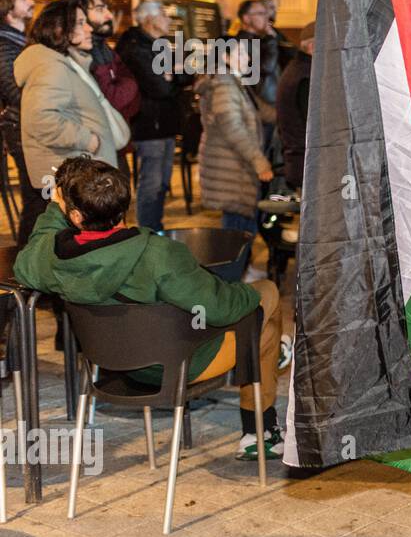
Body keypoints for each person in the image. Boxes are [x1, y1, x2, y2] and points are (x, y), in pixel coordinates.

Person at [14, 156, 285, 460]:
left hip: (110, 362)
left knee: (259, 325)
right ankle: (259, 434)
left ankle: (266, 399)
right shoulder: (158, 254)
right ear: (123, 204)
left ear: (75, 216)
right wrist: (246, 296)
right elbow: (223, 309)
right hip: (175, 366)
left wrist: (57, 206)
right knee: (266, 306)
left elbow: (28, 260)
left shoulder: (55, 260)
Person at [15, 0, 131, 189]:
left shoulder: (68, 64)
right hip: (72, 176)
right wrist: (88, 140)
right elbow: (41, 120)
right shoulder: (50, 67)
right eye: (80, 23)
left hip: (82, 172)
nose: (89, 29)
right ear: (60, 29)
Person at [116, 0, 187, 232]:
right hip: (148, 125)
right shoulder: (135, 46)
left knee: (163, 182)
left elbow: (186, 75)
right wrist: (171, 76)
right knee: (151, 183)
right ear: (149, 19)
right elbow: (159, 87)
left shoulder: (161, 44)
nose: (168, 20)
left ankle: (156, 228)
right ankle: (147, 232)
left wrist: (172, 74)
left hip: (165, 122)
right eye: (164, 16)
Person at [197, 39, 273, 234]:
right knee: (235, 228)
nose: (247, 58)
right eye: (240, 54)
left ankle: (242, 264)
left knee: (242, 221)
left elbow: (259, 110)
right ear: (226, 57)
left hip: (234, 163)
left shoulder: (233, 81)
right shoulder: (225, 85)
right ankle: (235, 265)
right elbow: (232, 127)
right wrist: (258, 160)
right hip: (230, 164)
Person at [0, 0, 42, 245]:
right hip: (21, 128)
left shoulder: (22, 41)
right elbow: (15, 90)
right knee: (36, 198)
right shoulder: (4, 45)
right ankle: (24, 258)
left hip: (32, 125)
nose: (31, 2)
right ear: (7, 8)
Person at [64, 0, 140, 125]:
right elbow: (112, 100)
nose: (109, 15)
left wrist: (128, 85)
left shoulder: (104, 49)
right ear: (79, 14)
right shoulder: (82, 55)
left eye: (107, 8)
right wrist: (128, 85)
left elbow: (133, 101)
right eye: (100, 9)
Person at [234, 0, 279, 152]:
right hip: (259, 109)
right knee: (261, 156)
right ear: (246, 18)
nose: (266, 17)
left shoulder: (263, 40)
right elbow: (266, 67)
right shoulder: (242, 42)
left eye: (266, 13)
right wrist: (271, 40)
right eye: (260, 13)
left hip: (270, 107)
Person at [276, 22, 313, 191]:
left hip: (301, 161)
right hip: (307, 163)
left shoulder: (298, 69)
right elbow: (313, 125)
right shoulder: (305, 77)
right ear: (312, 46)